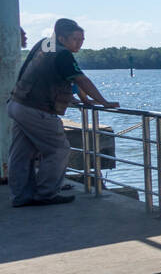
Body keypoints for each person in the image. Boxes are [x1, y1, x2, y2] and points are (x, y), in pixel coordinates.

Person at [7, 18, 118, 207]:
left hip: (18, 104)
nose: (80, 43)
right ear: (62, 38)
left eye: (82, 39)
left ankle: (21, 196)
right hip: (37, 109)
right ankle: (46, 193)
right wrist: (103, 102)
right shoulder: (63, 54)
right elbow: (80, 79)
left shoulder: (45, 45)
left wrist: (83, 100)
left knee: (21, 153)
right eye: (75, 39)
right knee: (58, 149)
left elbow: (68, 77)